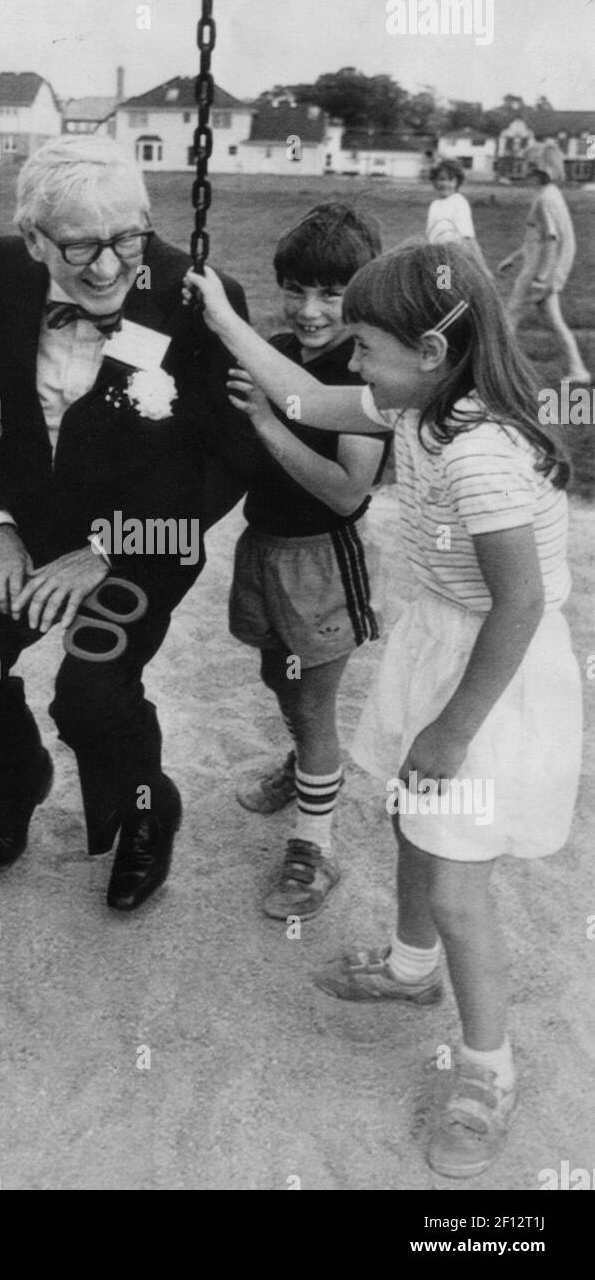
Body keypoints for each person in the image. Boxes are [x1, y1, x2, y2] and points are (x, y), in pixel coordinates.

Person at [185, 242, 581, 1178]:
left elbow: (520, 604)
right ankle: (411, 971)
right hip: (440, 645)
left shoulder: (480, 451)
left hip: (493, 678)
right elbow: (302, 398)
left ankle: (488, 1072)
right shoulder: (418, 404)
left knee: (456, 882)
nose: (350, 364)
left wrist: (451, 731)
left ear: (431, 355)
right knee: (411, 821)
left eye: (364, 346)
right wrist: (223, 320)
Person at [0, 134, 256, 912]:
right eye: (77, 248)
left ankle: (145, 814)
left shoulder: (196, 295)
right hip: (20, 520)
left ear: (147, 220)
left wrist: (105, 550)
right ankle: (14, 784)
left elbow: (228, 458)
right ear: (35, 240)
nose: (106, 269)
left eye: (126, 239)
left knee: (91, 693)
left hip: (142, 535)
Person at [227, 203, 388, 923]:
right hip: (262, 546)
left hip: (325, 558)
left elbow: (348, 493)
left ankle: (313, 848)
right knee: (275, 672)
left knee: (316, 704)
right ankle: (303, 765)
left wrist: (264, 419)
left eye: (330, 293)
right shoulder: (273, 350)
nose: (309, 309)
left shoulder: (366, 377)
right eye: (296, 289)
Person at [498, 140, 590, 383]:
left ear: (541, 170)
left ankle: (496, 369)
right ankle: (577, 369)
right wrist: (514, 257)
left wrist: (541, 278)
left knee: (510, 317)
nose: (525, 172)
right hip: (544, 273)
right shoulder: (551, 195)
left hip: (537, 274)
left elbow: (551, 241)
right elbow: (537, 239)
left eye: (529, 167)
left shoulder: (545, 201)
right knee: (554, 322)